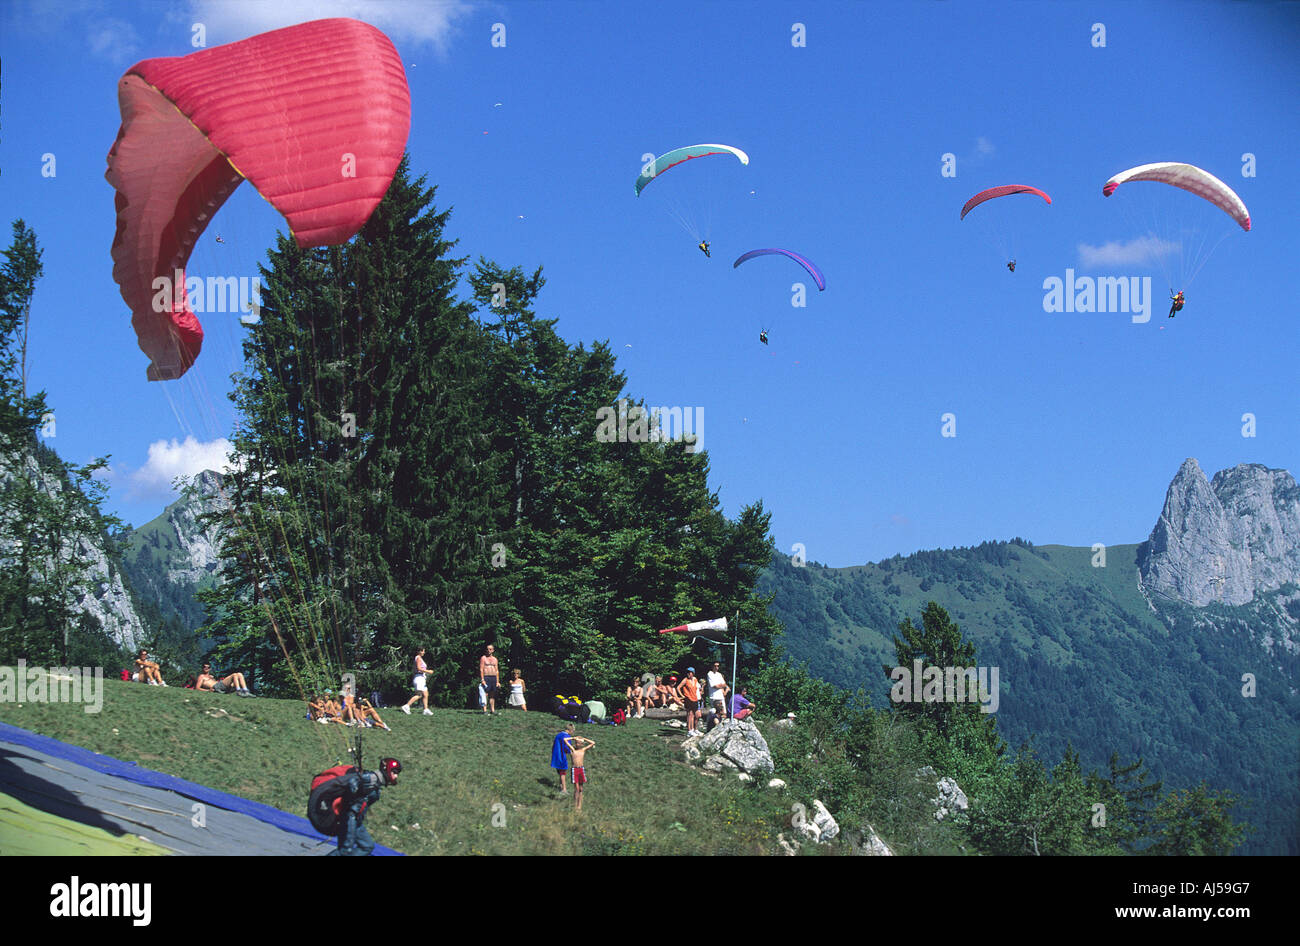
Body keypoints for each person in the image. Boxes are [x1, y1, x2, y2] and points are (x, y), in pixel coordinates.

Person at [331, 757, 401, 856]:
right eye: (394, 772)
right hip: (349, 817)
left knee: (367, 846)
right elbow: (352, 781)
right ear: (387, 769)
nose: (396, 776)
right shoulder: (372, 778)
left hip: (357, 820)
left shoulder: (377, 782)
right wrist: (355, 791)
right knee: (345, 850)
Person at [563, 732, 595, 811]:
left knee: (581, 789)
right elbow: (565, 740)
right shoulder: (573, 750)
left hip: (581, 769)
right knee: (576, 788)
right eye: (577, 743)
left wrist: (584, 739)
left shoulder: (583, 750)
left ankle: (579, 806)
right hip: (575, 769)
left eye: (580, 743)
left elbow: (592, 743)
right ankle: (575, 804)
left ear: (582, 744)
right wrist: (573, 738)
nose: (578, 744)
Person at [401, 647, 434, 716]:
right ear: (419, 651)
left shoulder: (419, 658)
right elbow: (419, 668)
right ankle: (406, 706)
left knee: (425, 694)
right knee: (419, 695)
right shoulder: (418, 658)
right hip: (419, 678)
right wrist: (428, 671)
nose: (424, 652)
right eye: (423, 651)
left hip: (421, 678)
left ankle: (425, 710)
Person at [550, 722, 575, 795]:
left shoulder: (558, 735)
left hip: (555, 755)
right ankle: (564, 789)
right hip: (561, 756)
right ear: (571, 730)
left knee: (560, 772)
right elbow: (567, 748)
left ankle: (561, 786)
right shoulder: (566, 737)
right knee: (563, 773)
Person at [706, 662, 729, 730]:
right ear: (712, 666)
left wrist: (719, 685)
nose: (716, 667)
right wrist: (720, 685)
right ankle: (710, 726)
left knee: (723, 712)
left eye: (718, 666)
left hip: (720, 695)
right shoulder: (710, 674)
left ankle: (722, 727)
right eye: (715, 666)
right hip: (714, 696)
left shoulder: (719, 674)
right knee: (714, 712)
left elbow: (724, 684)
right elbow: (714, 686)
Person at [678, 668, 701, 735]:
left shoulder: (695, 679)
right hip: (688, 698)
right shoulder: (685, 680)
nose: (688, 673)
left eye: (690, 672)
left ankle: (694, 729)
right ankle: (689, 730)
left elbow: (697, 688)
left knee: (697, 715)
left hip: (695, 698)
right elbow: (678, 687)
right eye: (687, 672)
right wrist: (682, 695)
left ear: (693, 673)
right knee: (690, 714)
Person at [479, 644, 500, 715]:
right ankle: (485, 710)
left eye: (490, 649)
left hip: (493, 677)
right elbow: (481, 669)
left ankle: (492, 710)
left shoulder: (495, 659)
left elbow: (497, 670)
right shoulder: (483, 658)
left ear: (493, 650)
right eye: (487, 649)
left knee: (492, 695)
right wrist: (482, 679)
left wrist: (497, 681)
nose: (489, 650)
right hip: (486, 677)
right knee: (485, 694)